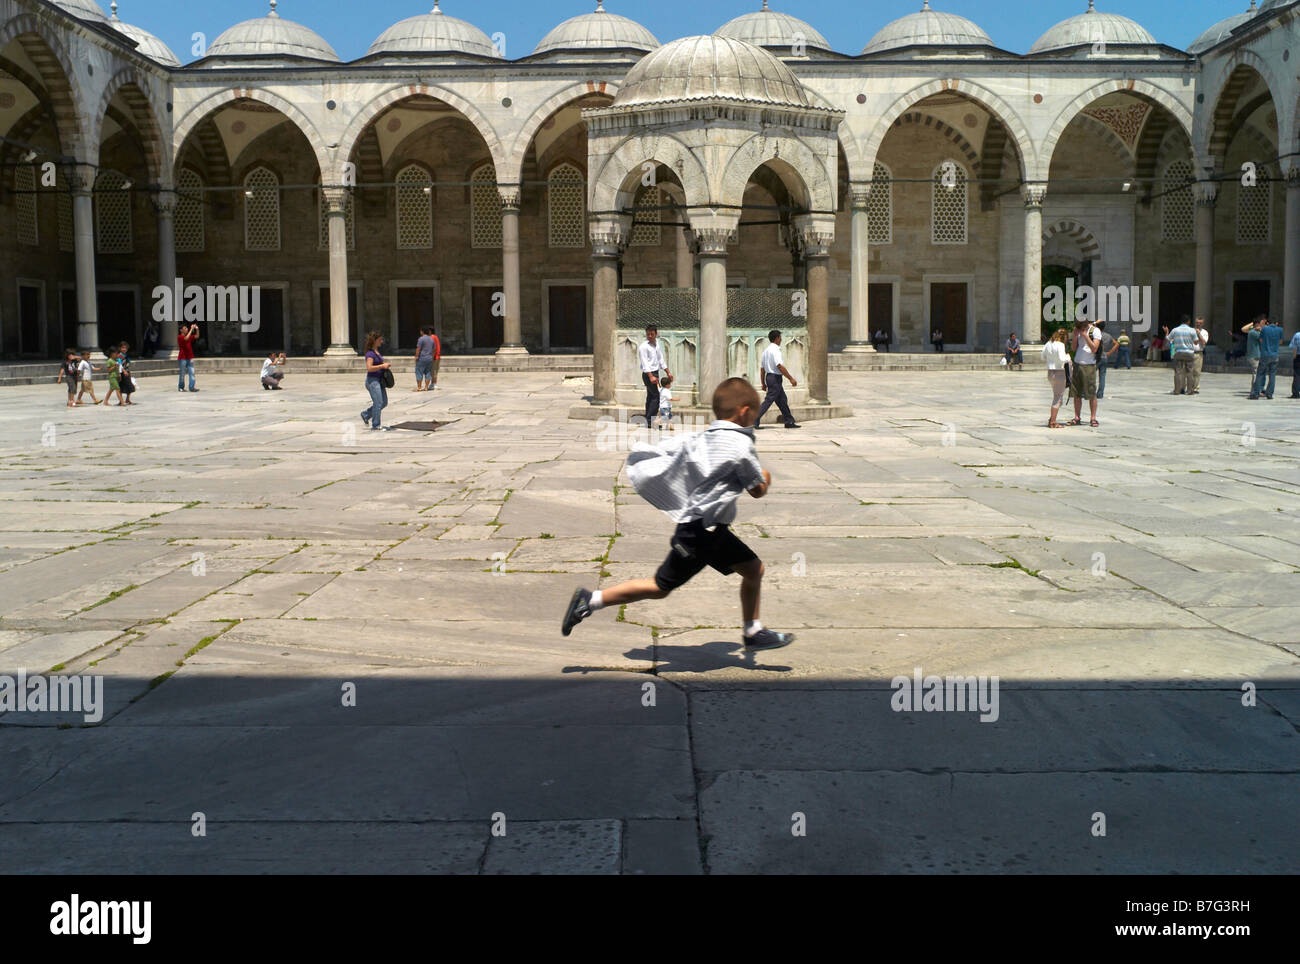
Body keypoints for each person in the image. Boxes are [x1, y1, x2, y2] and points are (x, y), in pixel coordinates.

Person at [561, 377, 793, 651]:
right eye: (754, 413)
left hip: (712, 531)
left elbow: (678, 452)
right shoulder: (741, 446)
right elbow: (757, 490)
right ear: (744, 412)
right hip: (699, 536)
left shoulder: (705, 437)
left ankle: (753, 631)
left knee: (754, 569)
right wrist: (765, 475)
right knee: (660, 587)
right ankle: (590, 600)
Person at [755, 329, 800, 430]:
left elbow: (762, 369)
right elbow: (779, 366)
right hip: (775, 378)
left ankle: (789, 421)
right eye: (780, 337)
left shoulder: (766, 351)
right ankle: (754, 418)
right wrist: (791, 378)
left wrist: (763, 383)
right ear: (777, 338)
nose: (781, 339)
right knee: (769, 400)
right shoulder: (775, 350)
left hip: (769, 378)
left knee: (782, 400)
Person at [1069, 318, 1101, 427]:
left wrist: (1085, 335)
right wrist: (1075, 336)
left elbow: (1094, 348)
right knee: (1076, 393)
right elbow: (1073, 348)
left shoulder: (1095, 331)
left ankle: (1093, 418)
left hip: (1089, 365)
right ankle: (1077, 417)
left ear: (1086, 324)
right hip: (1077, 363)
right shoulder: (1077, 330)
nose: (1080, 329)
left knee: (1091, 392)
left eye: (1081, 327)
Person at [638, 325, 670, 426]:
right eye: (648, 334)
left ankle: (648, 419)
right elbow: (645, 363)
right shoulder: (643, 347)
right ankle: (650, 420)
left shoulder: (656, 344)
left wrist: (668, 372)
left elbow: (660, 359)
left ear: (656, 334)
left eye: (652, 334)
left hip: (655, 372)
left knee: (651, 396)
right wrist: (651, 376)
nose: (650, 336)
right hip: (648, 374)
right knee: (657, 396)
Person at [361, 330, 393, 430]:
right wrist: (382, 366)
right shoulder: (370, 354)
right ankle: (376, 425)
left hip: (379, 380)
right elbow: (369, 368)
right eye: (380, 340)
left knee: (384, 402)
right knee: (378, 402)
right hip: (373, 381)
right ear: (374, 341)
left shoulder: (377, 352)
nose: (381, 342)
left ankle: (366, 414)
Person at [1248, 314, 1282, 400]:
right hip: (1274, 355)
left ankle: (1255, 394)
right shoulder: (1280, 330)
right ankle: (1269, 394)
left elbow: (1260, 339)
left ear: (1268, 322)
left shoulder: (1265, 329)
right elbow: (1281, 342)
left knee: (1260, 374)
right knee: (1272, 375)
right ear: (1276, 323)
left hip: (1265, 354)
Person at [1042, 328, 1069, 429]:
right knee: (1057, 398)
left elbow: (1042, 356)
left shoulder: (1048, 344)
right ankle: (1053, 422)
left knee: (1058, 396)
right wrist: (1068, 357)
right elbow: (1062, 359)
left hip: (1050, 372)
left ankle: (1051, 418)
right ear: (1064, 337)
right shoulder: (1060, 345)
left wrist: (1051, 359)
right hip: (1059, 372)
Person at [1167, 316, 1198, 395]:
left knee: (1178, 372)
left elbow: (1169, 339)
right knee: (1190, 372)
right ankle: (1190, 391)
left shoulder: (1175, 330)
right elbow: (1196, 342)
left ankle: (1177, 390)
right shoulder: (1192, 330)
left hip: (1179, 352)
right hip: (1189, 353)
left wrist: (1166, 332)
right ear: (1188, 321)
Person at [1095, 322, 1117, 398]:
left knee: (1092, 375)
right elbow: (1116, 344)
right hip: (1104, 356)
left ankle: (1091, 392)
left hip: (1096, 357)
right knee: (1102, 376)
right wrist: (1109, 352)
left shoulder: (1095, 335)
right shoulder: (1108, 335)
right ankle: (1100, 394)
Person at [1241, 315, 1263, 394]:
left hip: (1255, 355)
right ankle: (1255, 391)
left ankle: (1258, 389)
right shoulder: (1254, 332)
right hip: (1255, 355)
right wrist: (1253, 323)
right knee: (1256, 374)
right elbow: (1243, 329)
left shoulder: (1253, 331)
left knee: (1258, 373)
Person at [178, 323, 199, 392]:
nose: (187, 329)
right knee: (182, 374)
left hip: (190, 357)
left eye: (187, 328)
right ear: (181, 330)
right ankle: (181, 387)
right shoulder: (180, 337)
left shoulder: (189, 336)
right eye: (185, 328)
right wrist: (191, 329)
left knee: (192, 373)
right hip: (182, 358)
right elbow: (186, 339)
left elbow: (197, 336)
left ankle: (191, 387)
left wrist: (197, 329)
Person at [1190, 316, 1209, 394]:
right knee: (1188, 371)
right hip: (1189, 352)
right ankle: (1187, 387)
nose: (1198, 324)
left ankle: (1195, 387)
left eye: (1200, 323)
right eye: (1197, 323)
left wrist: (1199, 334)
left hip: (1198, 353)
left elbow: (1204, 342)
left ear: (1202, 324)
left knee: (1196, 371)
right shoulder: (1190, 331)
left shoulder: (1204, 332)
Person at [414, 327, 436, 392]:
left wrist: (416, 356)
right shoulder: (431, 339)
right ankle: (426, 387)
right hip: (429, 358)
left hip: (422, 358)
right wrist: (432, 357)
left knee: (419, 372)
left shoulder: (421, 339)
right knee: (428, 372)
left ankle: (419, 387)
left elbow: (418, 348)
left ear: (422, 332)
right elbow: (434, 349)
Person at [1288, 328, 1300, 399]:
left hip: (1298, 357)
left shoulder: (1297, 335)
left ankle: (1296, 393)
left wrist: (1294, 357)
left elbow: (1294, 348)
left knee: (1297, 375)